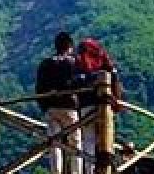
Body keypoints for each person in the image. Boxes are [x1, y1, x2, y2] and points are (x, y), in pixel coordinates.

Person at [36, 31, 81, 174]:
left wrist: (45, 107)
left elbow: (39, 88)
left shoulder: (46, 63)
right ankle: (76, 172)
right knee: (75, 144)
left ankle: (56, 172)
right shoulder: (73, 63)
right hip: (69, 107)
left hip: (51, 108)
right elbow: (79, 84)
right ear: (69, 46)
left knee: (54, 143)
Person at [75, 37, 123, 170]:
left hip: (86, 105)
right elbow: (115, 79)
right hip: (106, 106)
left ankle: (90, 170)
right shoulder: (105, 62)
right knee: (106, 139)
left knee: (88, 140)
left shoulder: (81, 63)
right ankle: (108, 169)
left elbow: (76, 82)